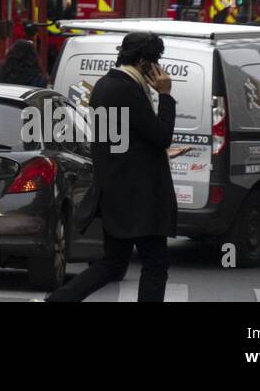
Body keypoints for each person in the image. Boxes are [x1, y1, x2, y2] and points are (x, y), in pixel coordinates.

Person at [46, 32, 177, 303]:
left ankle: (58, 300)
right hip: (139, 197)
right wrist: (165, 96)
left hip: (117, 190)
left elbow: (121, 140)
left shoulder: (106, 85)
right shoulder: (128, 89)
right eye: (155, 61)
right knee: (155, 264)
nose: (158, 68)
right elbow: (161, 134)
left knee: (113, 263)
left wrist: (154, 151)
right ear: (144, 62)